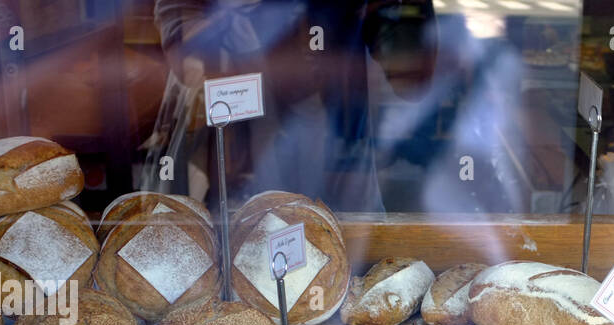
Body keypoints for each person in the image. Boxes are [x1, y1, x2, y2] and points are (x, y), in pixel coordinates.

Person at [153, 0, 437, 212]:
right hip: (243, 138)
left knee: (341, 261)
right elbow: (185, 53)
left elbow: (413, 75)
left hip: (339, 133)